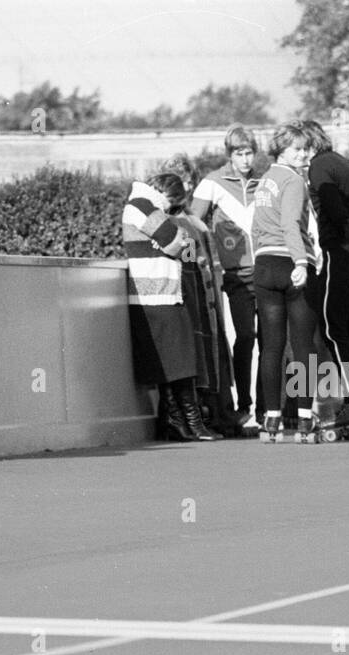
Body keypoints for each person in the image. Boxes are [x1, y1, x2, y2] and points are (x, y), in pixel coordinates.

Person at [299, 119, 349, 435]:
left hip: (342, 253)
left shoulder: (319, 167)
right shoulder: (344, 164)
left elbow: (335, 210)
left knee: (333, 328)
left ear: (307, 144)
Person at [123, 172, 216, 441]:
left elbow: (186, 248)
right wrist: (178, 238)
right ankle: (187, 421)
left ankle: (178, 420)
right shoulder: (141, 205)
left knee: (175, 360)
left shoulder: (146, 206)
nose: (171, 209)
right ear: (169, 196)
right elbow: (178, 245)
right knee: (177, 360)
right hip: (154, 293)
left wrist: (177, 240)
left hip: (162, 293)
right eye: (173, 203)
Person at [251, 121, 323, 443]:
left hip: (264, 263)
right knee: (303, 345)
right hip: (290, 262)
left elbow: (254, 227)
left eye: (306, 148)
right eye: (298, 148)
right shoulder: (294, 181)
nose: (304, 154)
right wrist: (300, 261)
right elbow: (291, 224)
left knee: (271, 346)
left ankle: (271, 417)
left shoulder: (265, 180)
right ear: (282, 150)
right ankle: (305, 419)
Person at [190, 125, 262, 432]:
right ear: (229, 155)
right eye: (239, 154)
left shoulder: (265, 181)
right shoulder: (212, 183)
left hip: (269, 269)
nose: (246, 160)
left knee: (272, 342)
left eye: (249, 153)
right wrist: (208, 257)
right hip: (236, 275)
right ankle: (243, 404)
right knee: (245, 337)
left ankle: (269, 405)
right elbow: (192, 223)